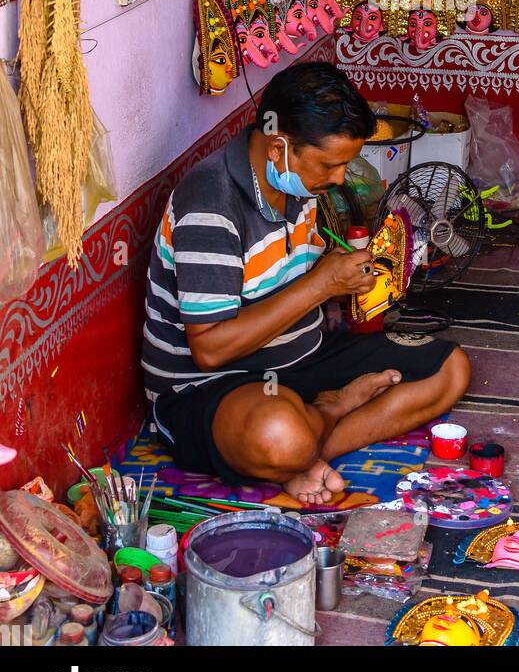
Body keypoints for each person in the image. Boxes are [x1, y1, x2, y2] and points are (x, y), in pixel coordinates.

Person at [142, 63, 471, 504]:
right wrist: (321, 285)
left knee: (450, 370)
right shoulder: (211, 204)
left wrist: (358, 280)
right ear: (279, 146)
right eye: (330, 164)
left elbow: (303, 281)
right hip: (213, 386)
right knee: (278, 435)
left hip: (300, 361)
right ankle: (323, 418)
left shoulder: (298, 184)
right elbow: (211, 349)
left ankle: (303, 454)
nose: (337, 178)